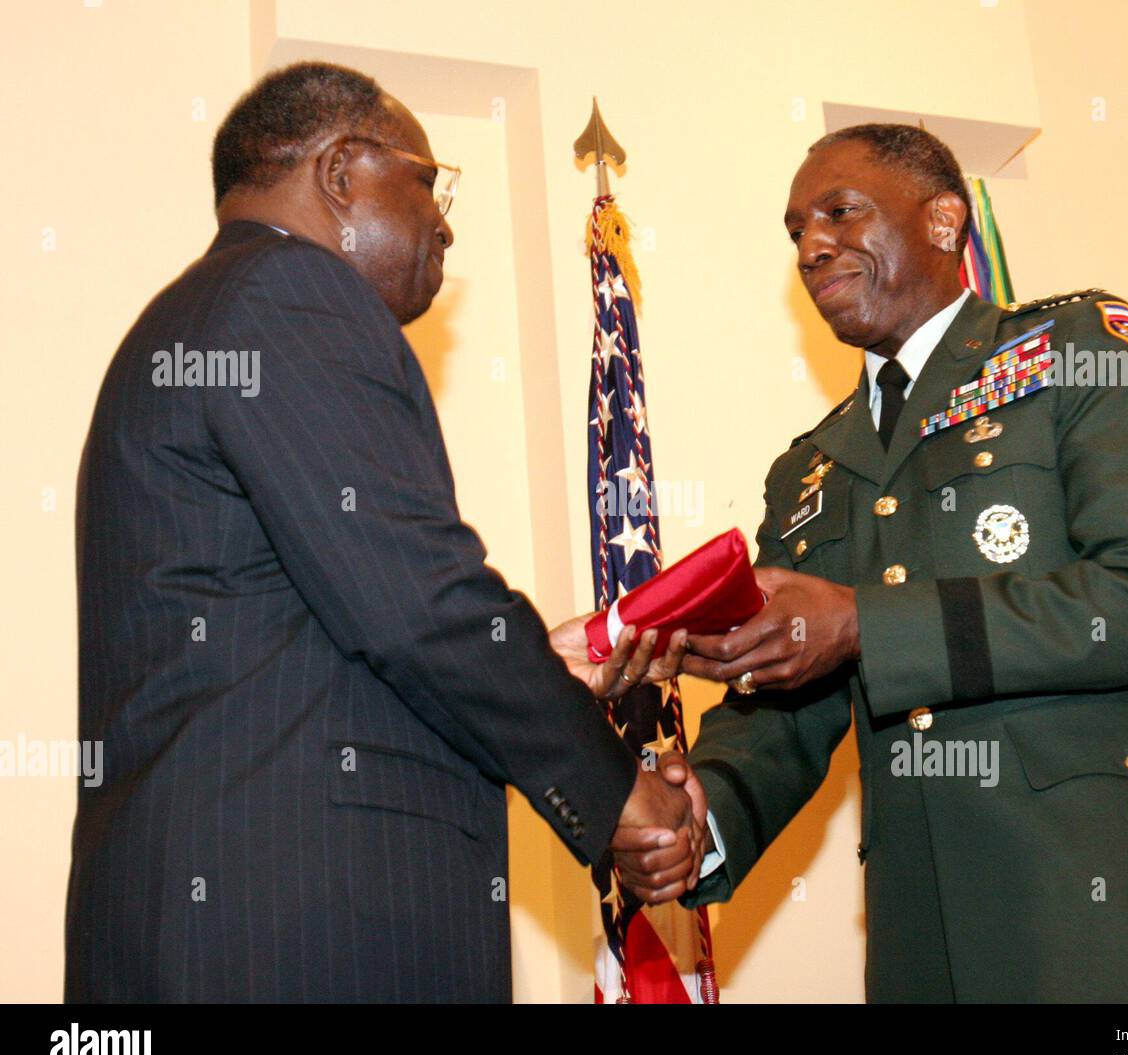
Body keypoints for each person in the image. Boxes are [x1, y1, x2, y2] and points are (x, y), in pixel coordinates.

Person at [68, 61, 697, 1004]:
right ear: (342, 170)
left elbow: (328, 618)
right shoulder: (293, 294)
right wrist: (615, 791)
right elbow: (420, 605)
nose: (445, 221)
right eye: (427, 181)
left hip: (200, 925)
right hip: (298, 931)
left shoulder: (192, 319)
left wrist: (532, 661)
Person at [617, 124, 1128, 1002]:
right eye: (796, 229)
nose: (812, 246)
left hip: (1105, 923)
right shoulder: (809, 467)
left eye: (840, 212)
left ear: (946, 221)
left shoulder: (1075, 348)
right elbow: (783, 710)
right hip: (922, 944)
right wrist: (700, 816)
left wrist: (864, 622)